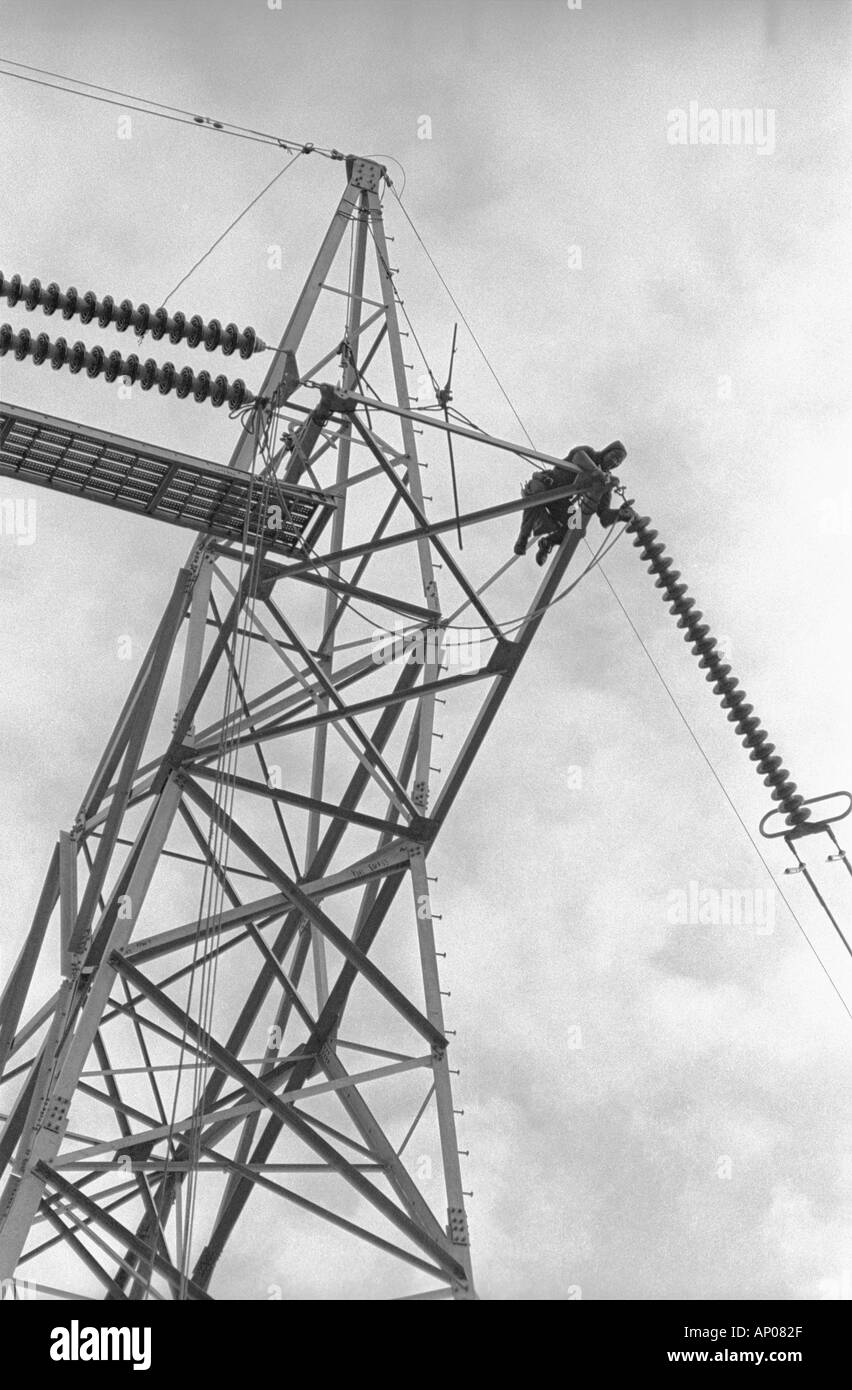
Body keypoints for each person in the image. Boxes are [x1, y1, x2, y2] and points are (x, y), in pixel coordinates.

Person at [513, 440, 631, 565]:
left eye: (618, 461)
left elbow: (604, 516)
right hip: (547, 483)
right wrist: (596, 472)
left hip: (560, 500)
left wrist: (620, 514)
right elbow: (578, 457)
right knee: (537, 496)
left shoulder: (604, 481)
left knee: (577, 528)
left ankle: (547, 543)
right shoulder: (589, 453)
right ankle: (523, 537)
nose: (614, 462)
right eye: (613, 457)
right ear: (607, 452)